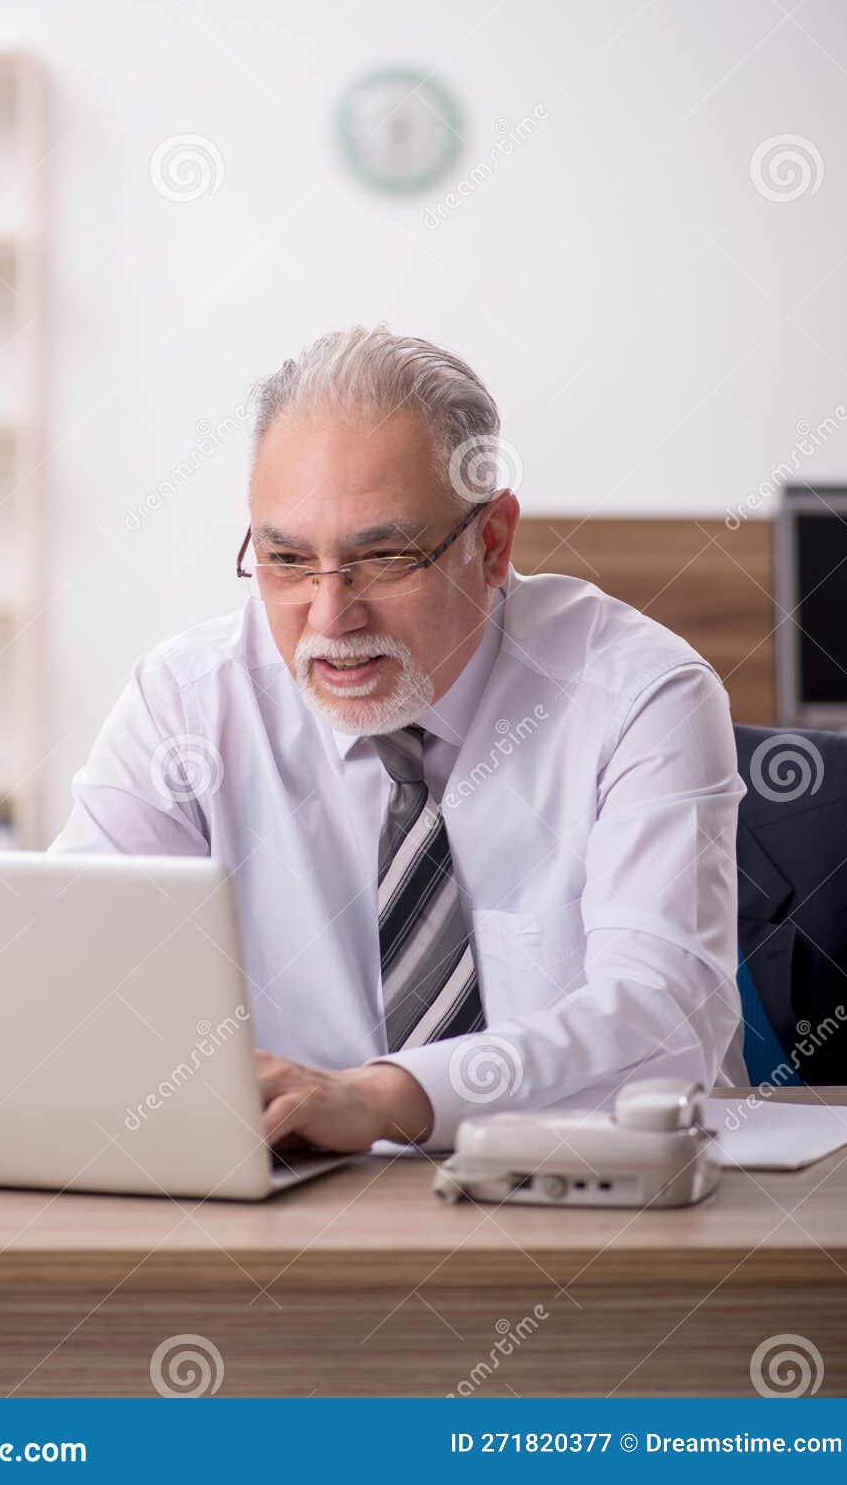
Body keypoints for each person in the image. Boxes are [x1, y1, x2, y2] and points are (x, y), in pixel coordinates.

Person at [52, 323, 747, 1153]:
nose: (329, 615)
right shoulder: (186, 705)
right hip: (292, 1224)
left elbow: (665, 1029)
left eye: (382, 558)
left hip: (593, 1213)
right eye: (285, 559)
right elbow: (76, 981)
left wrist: (385, 1099)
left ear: (491, 543)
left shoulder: (638, 695)